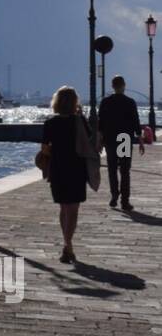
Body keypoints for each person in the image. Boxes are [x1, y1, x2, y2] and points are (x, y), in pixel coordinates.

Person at [40, 86, 98, 263]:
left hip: (58, 169)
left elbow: (44, 149)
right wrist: (80, 115)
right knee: (73, 209)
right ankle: (68, 245)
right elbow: (91, 141)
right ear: (75, 103)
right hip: (76, 169)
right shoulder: (79, 121)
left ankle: (68, 245)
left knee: (64, 208)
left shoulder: (50, 123)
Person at [98, 75, 144, 211]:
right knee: (124, 170)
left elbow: (100, 124)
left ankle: (114, 196)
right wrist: (140, 140)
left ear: (112, 86)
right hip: (124, 138)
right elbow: (136, 123)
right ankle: (125, 201)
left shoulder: (105, 102)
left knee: (112, 169)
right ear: (124, 85)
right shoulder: (130, 102)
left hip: (110, 139)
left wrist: (99, 142)